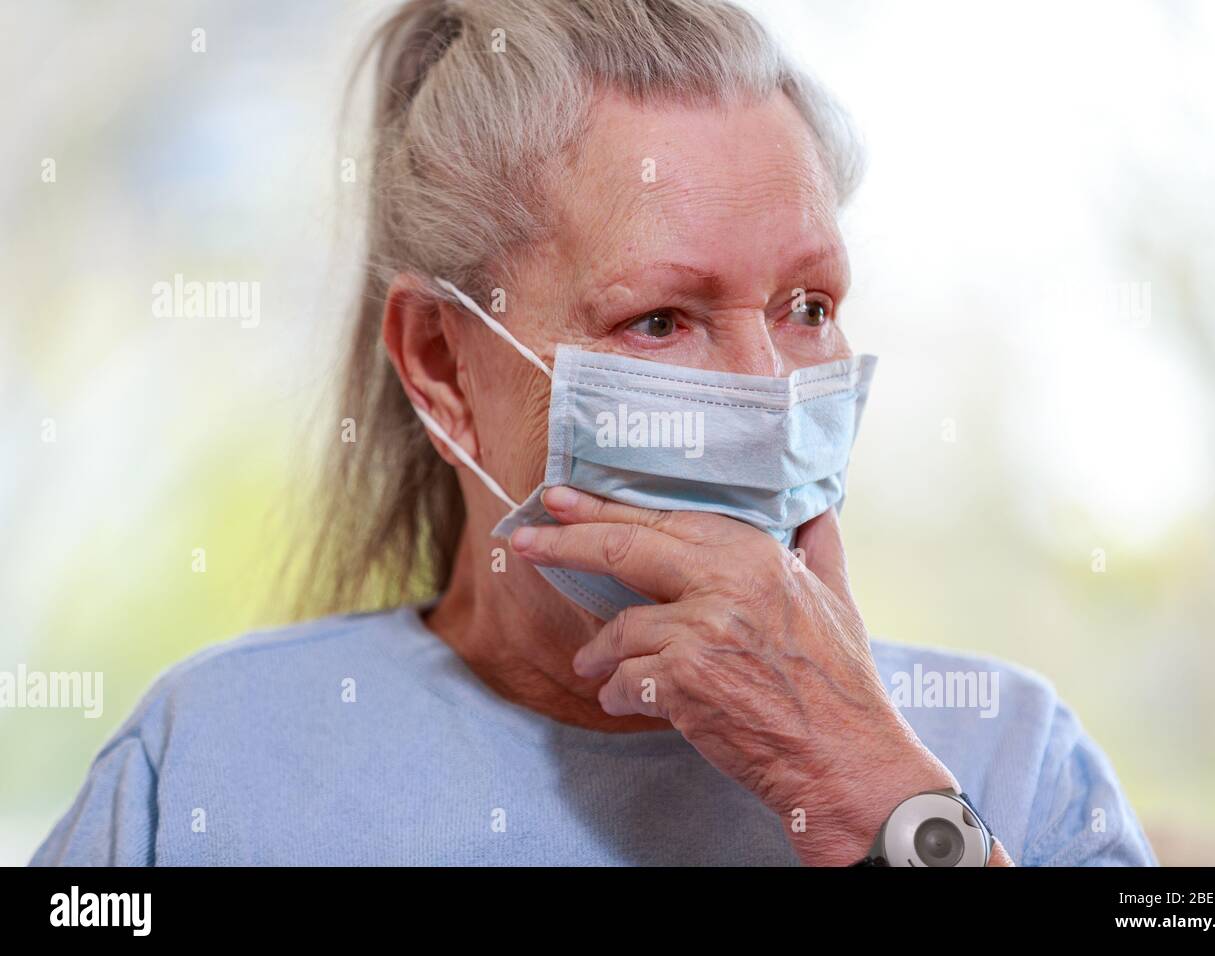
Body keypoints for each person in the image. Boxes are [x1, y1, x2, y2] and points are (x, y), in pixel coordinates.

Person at [31, 0, 1156, 866]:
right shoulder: (206, 768)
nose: (768, 400)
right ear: (440, 362)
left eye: (806, 307)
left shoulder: (1013, 760)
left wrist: (882, 799)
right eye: (659, 318)